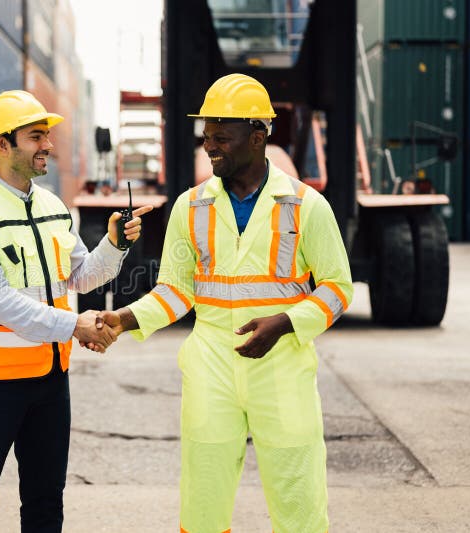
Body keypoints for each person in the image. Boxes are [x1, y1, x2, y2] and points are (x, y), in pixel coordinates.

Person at [96, 74, 353, 533]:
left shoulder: (305, 206)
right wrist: (123, 317)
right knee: (203, 500)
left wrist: (287, 322)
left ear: (258, 138)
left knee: (299, 499)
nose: (209, 146)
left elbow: (337, 288)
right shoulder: (190, 207)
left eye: (221, 137)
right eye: (206, 136)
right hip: (211, 365)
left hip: (282, 369)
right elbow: (176, 290)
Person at [0, 89, 152, 532]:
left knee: (44, 501)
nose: (48, 146)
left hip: (50, 381)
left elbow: (81, 277)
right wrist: (74, 325)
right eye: (36, 136)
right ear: (3, 144)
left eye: (48, 136)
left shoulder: (53, 205)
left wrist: (115, 244)